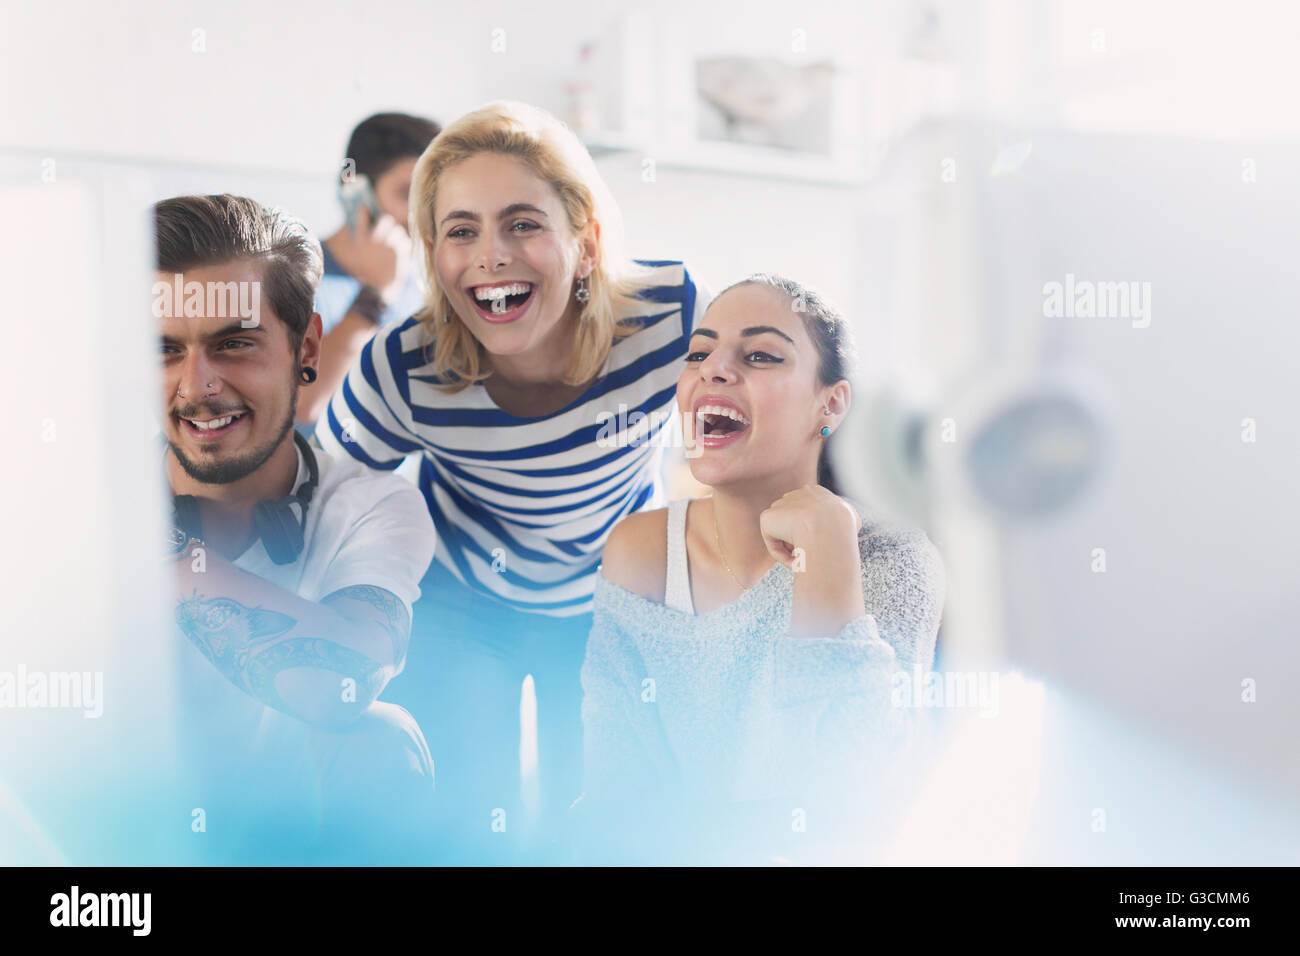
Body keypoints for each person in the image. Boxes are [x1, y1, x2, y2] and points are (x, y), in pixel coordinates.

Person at [313, 100, 711, 859]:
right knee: (471, 816)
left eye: (523, 223)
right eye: (461, 231)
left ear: (586, 243)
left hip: (610, 602)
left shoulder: (668, 317)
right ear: (434, 254)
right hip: (464, 601)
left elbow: (747, 430)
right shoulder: (405, 367)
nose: (490, 255)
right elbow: (324, 501)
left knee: (594, 814)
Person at [579, 274, 946, 864]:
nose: (712, 370)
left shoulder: (892, 556)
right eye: (698, 353)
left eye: (759, 355)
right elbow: (617, 792)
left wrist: (828, 559)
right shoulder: (639, 552)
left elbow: (853, 799)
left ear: (829, 405)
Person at [154, 194, 438, 862]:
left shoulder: (370, 505)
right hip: (114, 834)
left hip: (283, 835)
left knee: (381, 738)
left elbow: (336, 686)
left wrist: (147, 545)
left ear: (305, 345)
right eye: (165, 349)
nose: (198, 386)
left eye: (235, 344)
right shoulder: (66, 500)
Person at [296, 112, 442, 428]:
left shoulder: (419, 291)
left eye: (430, 197)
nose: (421, 215)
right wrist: (376, 293)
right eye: (406, 194)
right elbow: (304, 404)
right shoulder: (290, 278)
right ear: (356, 191)